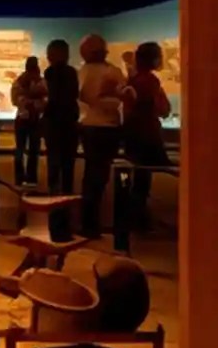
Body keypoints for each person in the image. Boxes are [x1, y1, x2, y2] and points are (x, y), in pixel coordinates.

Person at [78, 34, 129, 236]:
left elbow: (84, 97)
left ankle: (89, 222)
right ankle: (91, 223)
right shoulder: (112, 71)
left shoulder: (82, 72)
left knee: (92, 175)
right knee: (98, 176)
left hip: (90, 126)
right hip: (106, 128)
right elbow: (122, 96)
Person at [124, 42, 173, 230]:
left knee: (140, 178)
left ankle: (137, 218)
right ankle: (139, 220)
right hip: (147, 134)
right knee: (143, 180)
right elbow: (162, 109)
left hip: (134, 134)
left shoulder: (134, 80)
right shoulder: (150, 81)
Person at [42, 39, 80, 195]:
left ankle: (54, 189)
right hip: (69, 121)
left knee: (53, 159)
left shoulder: (49, 72)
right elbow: (74, 94)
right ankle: (67, 191)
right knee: (68, 162)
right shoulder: (71, 72)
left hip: (53, 122)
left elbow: (52, 97)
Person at [10, 56, 47, 186]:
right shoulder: (41, 82)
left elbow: (15, 100)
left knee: (20, 149)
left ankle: (20, 178)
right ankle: (31, 177)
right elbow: (44, 101)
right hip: (34, 119)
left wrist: (26, 99)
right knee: (33, 151)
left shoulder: (19, 82)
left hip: (22, 118)